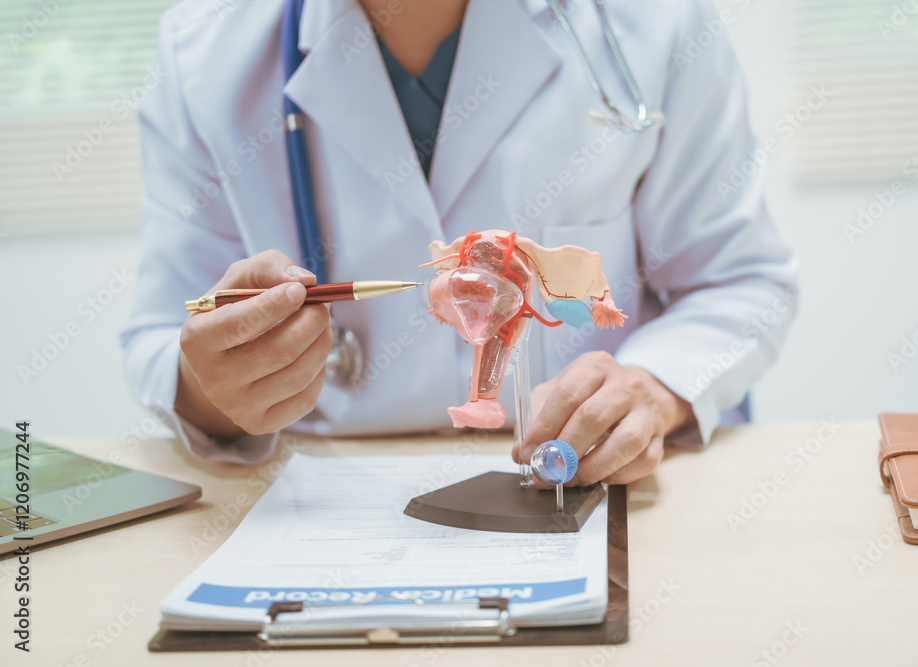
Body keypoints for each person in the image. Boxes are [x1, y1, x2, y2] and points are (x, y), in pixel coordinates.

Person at [121, 0, 798, 486]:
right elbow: (163, 334)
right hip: (325, 500)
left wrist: (653, 386)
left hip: (588, 488)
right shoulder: (204, 53)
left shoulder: (656, 21)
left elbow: (740, 280)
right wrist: (215, 385)